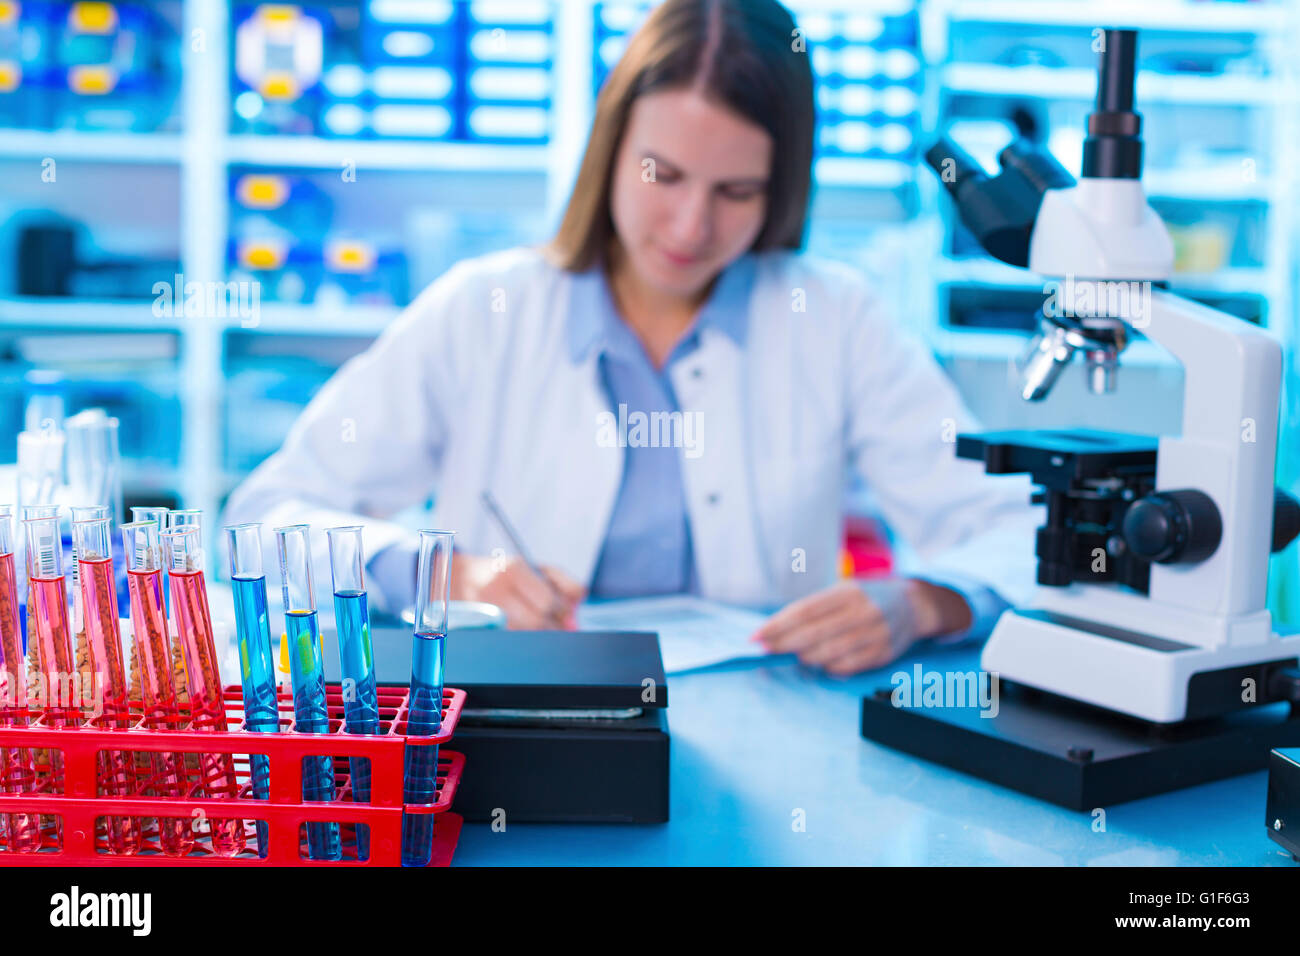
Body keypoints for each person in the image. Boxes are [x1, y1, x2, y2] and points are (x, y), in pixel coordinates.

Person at [221, 0, 1040, 675]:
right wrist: (448, 575)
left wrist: (928, 601)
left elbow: (1013, 530)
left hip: (773, 736)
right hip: (517, 733)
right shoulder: (483, 310)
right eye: (665, 176)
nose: (692, 226)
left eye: (737, 190)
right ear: (610, 150)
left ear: (780, 187)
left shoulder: (836, 319)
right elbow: (263, 517)